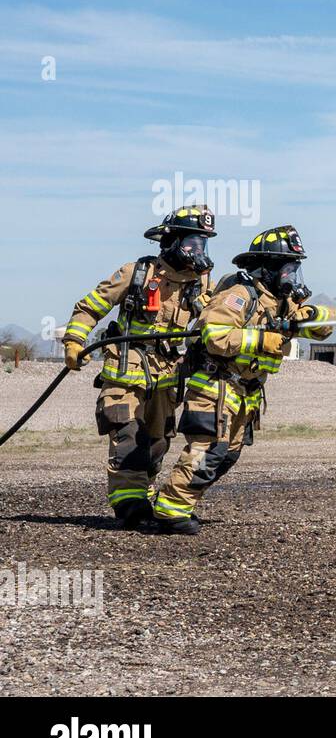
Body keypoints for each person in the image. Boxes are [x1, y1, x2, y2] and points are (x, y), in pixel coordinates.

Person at [151, 225, 334, 534]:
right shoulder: (239, 294)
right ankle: (171, 510)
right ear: (269, 267)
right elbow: (214, 335)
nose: (291, 276)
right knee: (208, 449)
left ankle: (174, 502)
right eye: (288, 268)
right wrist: (261, 342)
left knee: (227, 455)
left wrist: (313, 314)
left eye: (295, 268)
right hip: (215, 386)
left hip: (244, 391)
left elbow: (326, 324)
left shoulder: (278, 299)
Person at [62, 206, 216, 528]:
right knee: (128, 435)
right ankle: (130, 505)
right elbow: (90, 307)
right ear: (171, 240)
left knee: (157, 441)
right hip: (125, 370)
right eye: (192, 242)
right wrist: (74, 341)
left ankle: (144, 496)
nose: (198, 251)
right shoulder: (137, 274)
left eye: (203, 244)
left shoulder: (202, 285)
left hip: (168, 374)